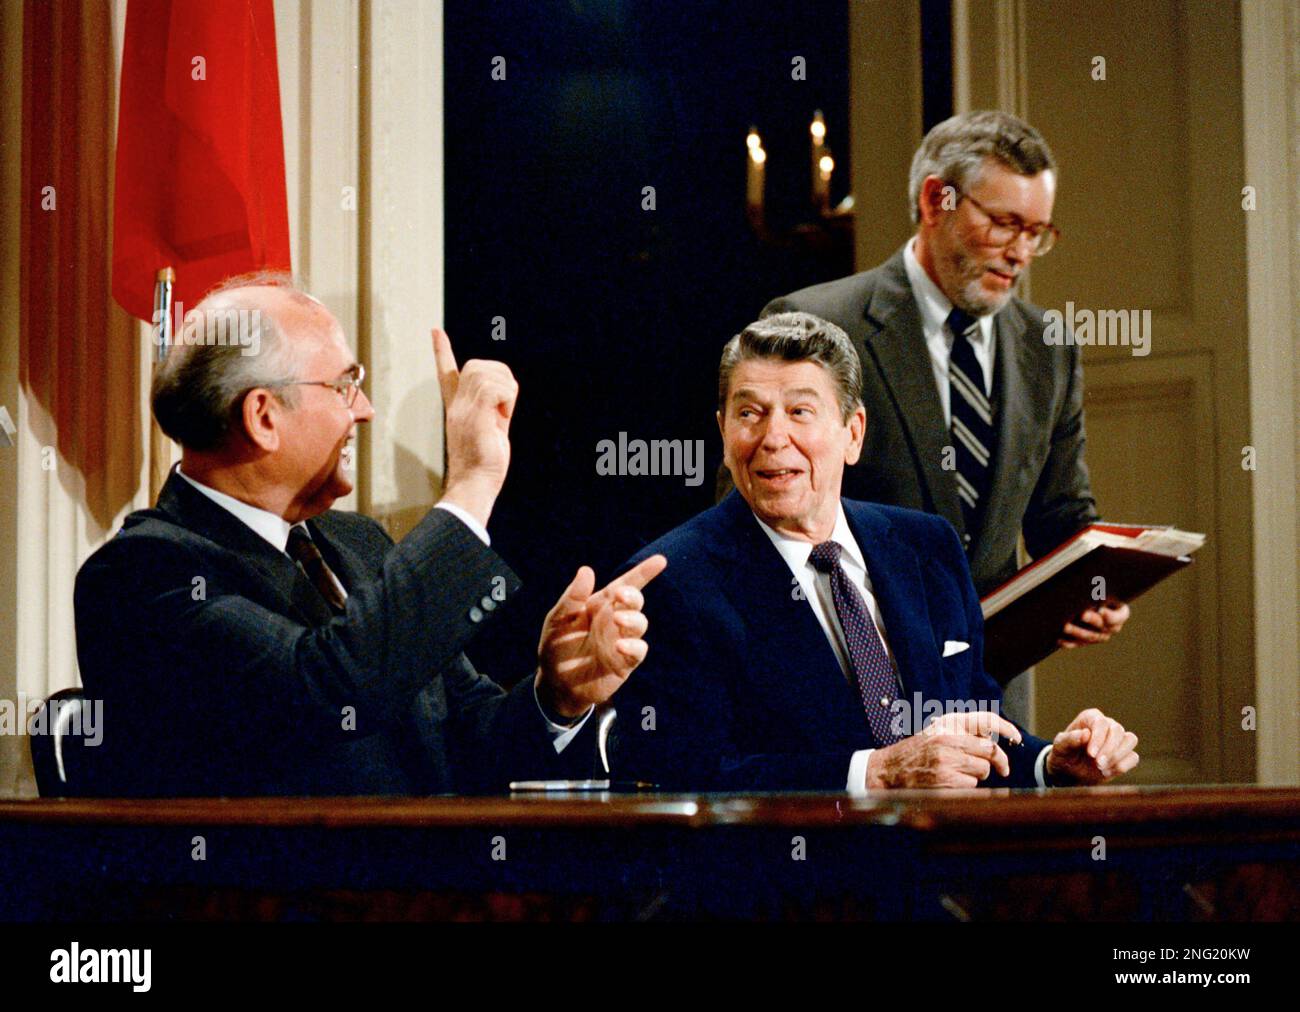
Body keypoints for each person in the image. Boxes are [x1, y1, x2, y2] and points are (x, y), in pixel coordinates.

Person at [73, 273, 665, 796]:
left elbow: (469, 743)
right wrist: (473, 484)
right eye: (344, 384)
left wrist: (555, 697)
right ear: (263, 417)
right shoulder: (143, 575)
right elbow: (326, 689)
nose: (366, 409)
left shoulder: (358, 545)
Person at [610, 312, 1138, 791]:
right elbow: (679, 777)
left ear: (853, 433)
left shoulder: (926, 546)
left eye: (800, 411)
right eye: (749, 413)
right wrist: (877, 774)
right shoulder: (669, 580)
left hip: (947, 871)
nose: (773, 437)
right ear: (723, 431)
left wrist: (1049, 764)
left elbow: (974, 733)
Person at [760, 110, 1128, 721]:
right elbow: (758, 519)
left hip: (993, 694)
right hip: (850, 682)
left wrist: (1092, 584)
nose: (1022, 253)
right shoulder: (817, 327)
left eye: (1038, 232)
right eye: (1006, 224)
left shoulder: (1050, 345)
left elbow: (1061, 511)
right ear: (937, 201)